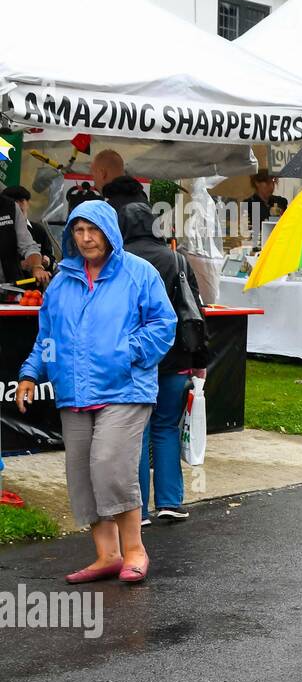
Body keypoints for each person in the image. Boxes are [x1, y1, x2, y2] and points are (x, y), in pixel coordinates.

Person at [14, 200, 176, 583]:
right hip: (74, 393)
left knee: (110, 466)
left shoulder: (139, 273)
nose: (86, 239)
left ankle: (135, 550)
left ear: (109, 231)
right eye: (78, 231)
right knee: (83, 474)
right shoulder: (61, 283)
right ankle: (108, 555)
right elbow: (47, 337)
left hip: (125, 389)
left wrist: (126, 352)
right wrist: (30, 374)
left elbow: (163, 325)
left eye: (93, 230)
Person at [103, 168, 209, 524]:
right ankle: (171, 501)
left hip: (131, 360)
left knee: (136, 433)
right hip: (175, 358)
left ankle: (139, 510)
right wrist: (199, 359)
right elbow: (195, 310)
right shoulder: (176, 259)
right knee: (165, 428)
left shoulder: (115, 262)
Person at [0, 189, 51, 287]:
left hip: (9, 287)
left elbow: (28, 246)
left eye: (22, 200)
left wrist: (37, 267)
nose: (19, 203)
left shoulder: (10, 207)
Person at [2, 186, 57, 267]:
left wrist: (46, 261)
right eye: (13, 202)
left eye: (21, 201)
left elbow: (50, 256)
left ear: (28, 203)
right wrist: (22, 265)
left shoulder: (39, 230)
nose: (18, 206)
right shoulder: (3, 230)